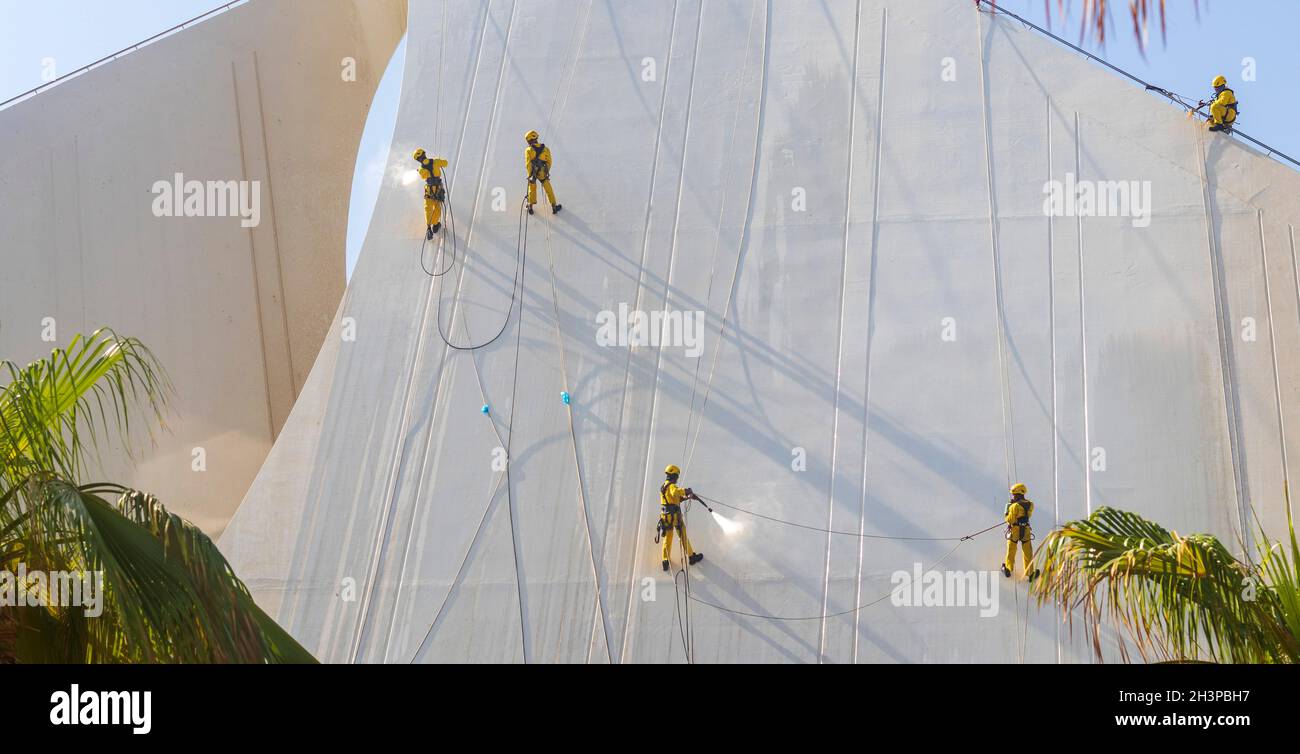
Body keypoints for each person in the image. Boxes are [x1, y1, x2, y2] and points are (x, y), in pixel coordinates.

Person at [658, 464, 703, 572]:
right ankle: (692, 557)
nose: (677, 478)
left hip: (666, 517)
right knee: (683, 536)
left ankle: (665, 561)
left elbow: (672, 499)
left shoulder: (664, 486)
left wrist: (686, 498)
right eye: (676, 476)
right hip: (675, 518)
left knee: (667, 539)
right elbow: (675, 492)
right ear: (674, 475)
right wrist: (686, 491)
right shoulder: (672, 486)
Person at [1002, 483, 1039, 581]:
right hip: (1025, 530)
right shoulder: (1030, 504)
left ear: (1018, 494)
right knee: (1028, 552)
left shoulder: (1014, 506)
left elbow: (1010, 519)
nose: (1013, 496)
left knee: (1011, 549)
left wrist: (1007, 512)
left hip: (1015, 530)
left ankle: (1008, 568)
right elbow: (1028, 516)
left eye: (1014, 494)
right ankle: (1030, 573)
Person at [523, 130, 561, 216]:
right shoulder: (545, 149)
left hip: (533, 172)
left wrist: (530, 175)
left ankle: (530, 206)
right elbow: (549, 161)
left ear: (529, 140)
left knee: (532, 188)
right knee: (548, 188)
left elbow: (528, 164)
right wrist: (546, 171)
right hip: (543, 172)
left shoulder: (528, 150)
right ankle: (554, 207)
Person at [413, 148, 448, 239]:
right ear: (424, 154)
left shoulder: (421, 169)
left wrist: (420, 170)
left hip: (429, 191)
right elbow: (446, 163)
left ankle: (429, 227)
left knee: (428, 209)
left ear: (417, 159)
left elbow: (423, 176)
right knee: (437, 209)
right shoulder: (435, 161)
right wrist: (439, 162)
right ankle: (435, 225)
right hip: (438, 190)